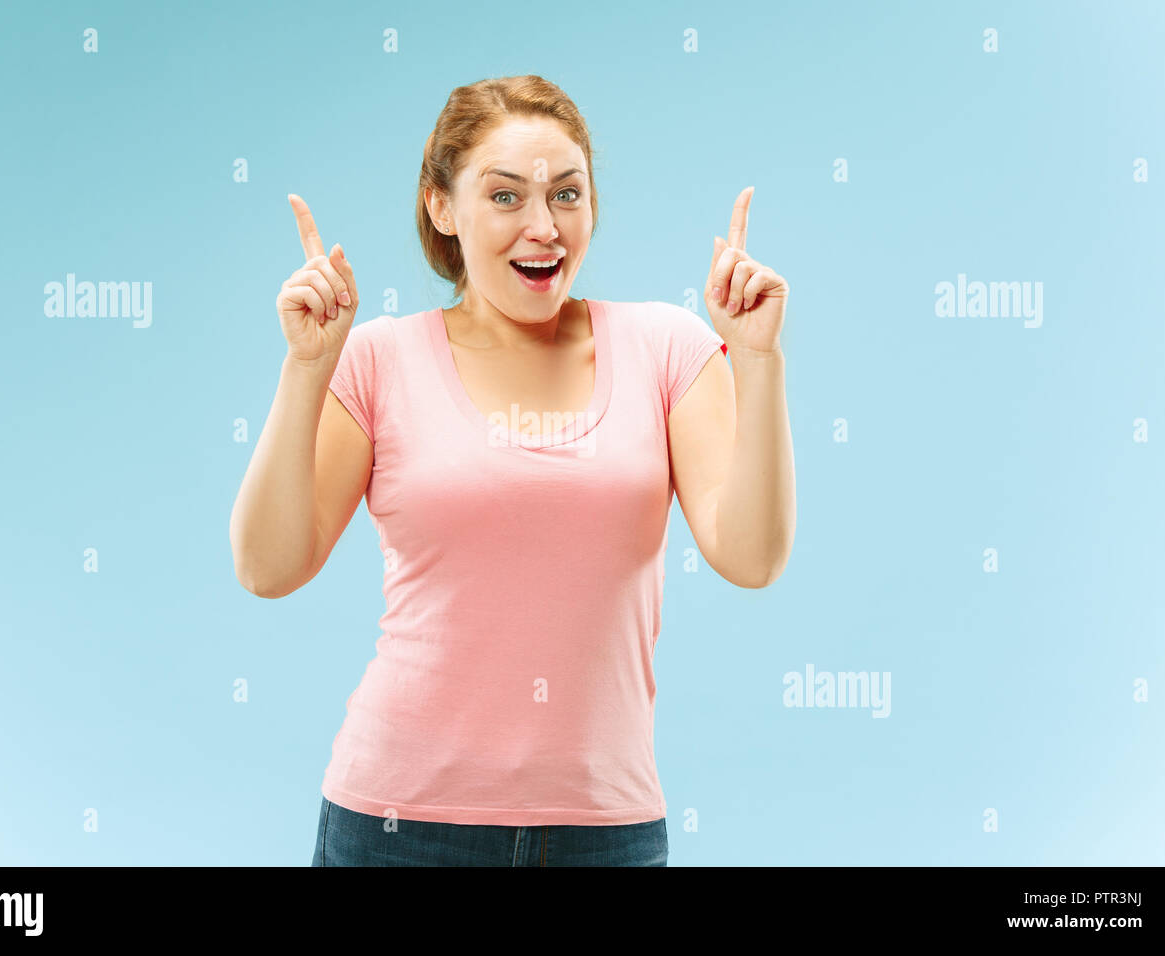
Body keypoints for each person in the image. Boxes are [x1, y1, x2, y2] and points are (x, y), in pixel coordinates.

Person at [229, 74, 796, 866]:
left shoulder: (667, 348)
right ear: (441, 207)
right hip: (395, 827)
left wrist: (759, 357)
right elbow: (266, 566)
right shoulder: (377, 361)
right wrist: (306, 369)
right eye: (504, 197)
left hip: (605, 831)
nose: (544, 227)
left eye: (567, 194)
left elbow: (753, 555)